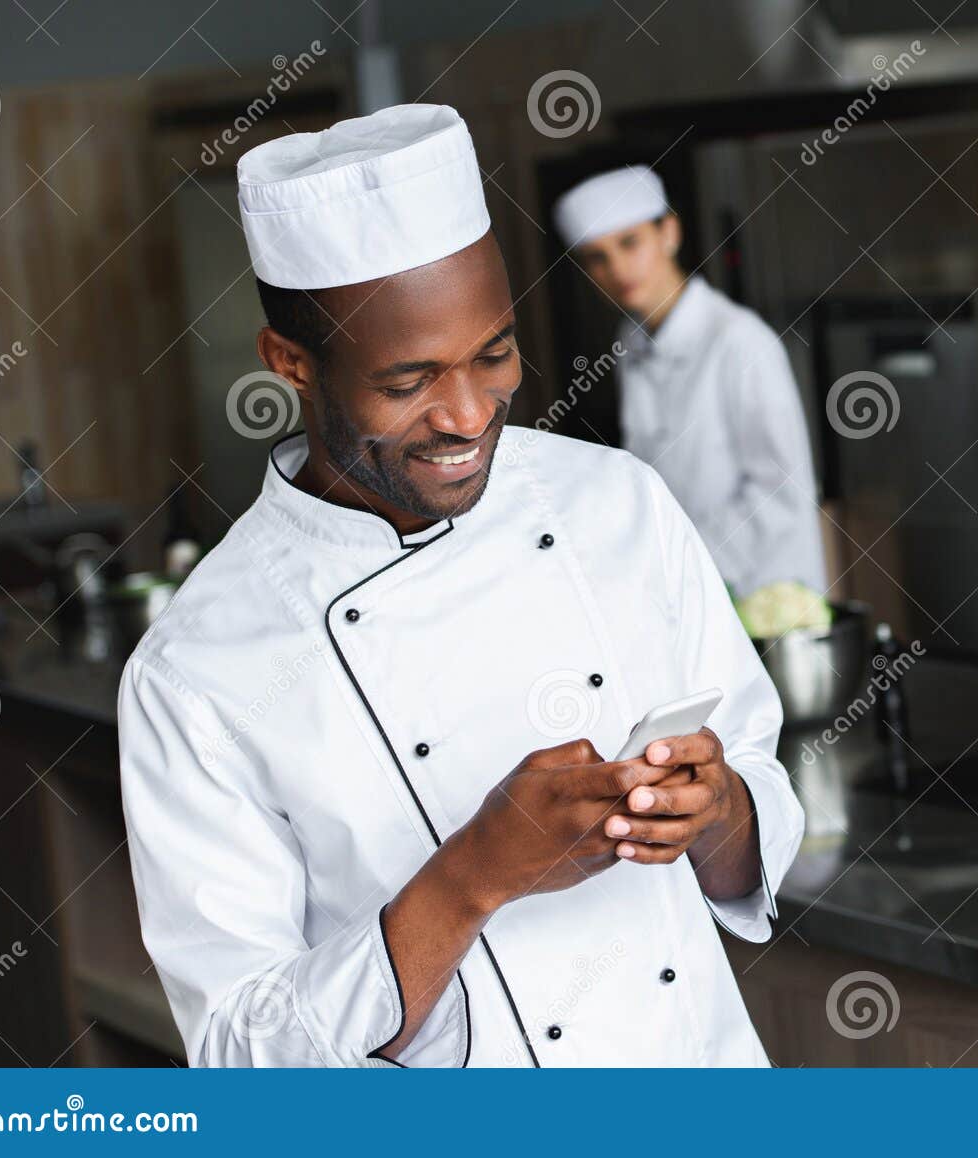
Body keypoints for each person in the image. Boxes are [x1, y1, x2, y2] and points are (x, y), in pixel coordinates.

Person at [117, 104, 804, 1067]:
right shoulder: (199, 669)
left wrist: (722, 808)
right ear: (291, 365)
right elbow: (242, 1052)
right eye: (409, 383)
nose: (470, 414)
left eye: (493, 354)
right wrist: (473, 876)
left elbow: (759, 788)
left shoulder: (617, 504)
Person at [553, 165, 828, 597]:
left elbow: (782, 490)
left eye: (630, 243)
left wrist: (687, 562)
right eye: (598, 258)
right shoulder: (630, 344)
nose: (618, 268)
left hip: (765, 590)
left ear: (670, 233)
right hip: (685, 586)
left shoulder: (739, 341)